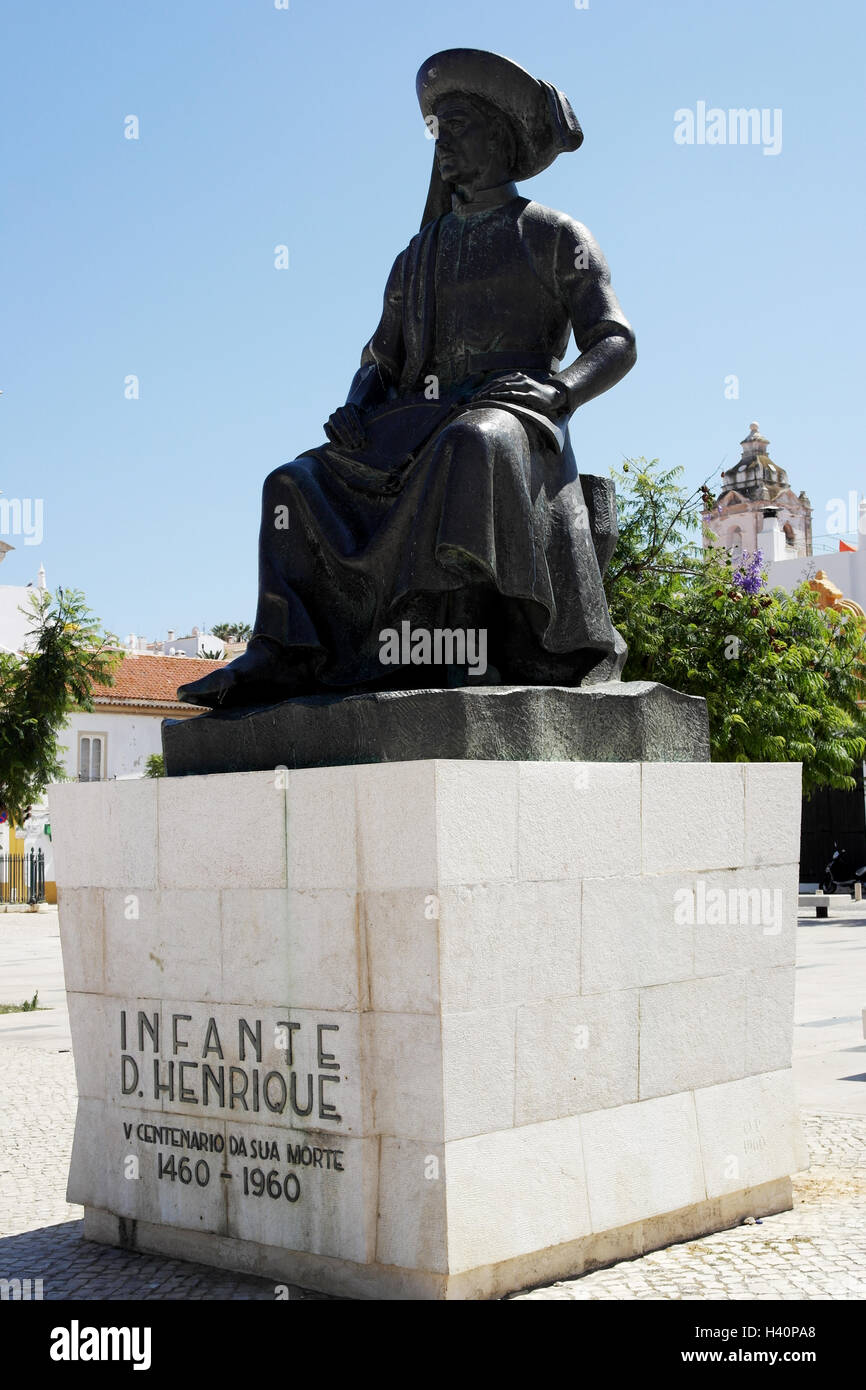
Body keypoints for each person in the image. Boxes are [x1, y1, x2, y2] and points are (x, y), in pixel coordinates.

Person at [178, 48, 636, 710]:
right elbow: (380, 362)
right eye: (437, 132)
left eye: (459, 128)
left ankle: (462, 649)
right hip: (411, 424)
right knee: (291, 483)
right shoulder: (415, 255)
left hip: (514, 420)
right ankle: (284, 651)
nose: (443, 144)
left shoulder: (553, 233)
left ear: (501, 136)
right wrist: (355, 404)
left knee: (472, 445)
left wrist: (562, 390)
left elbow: (615, 340)